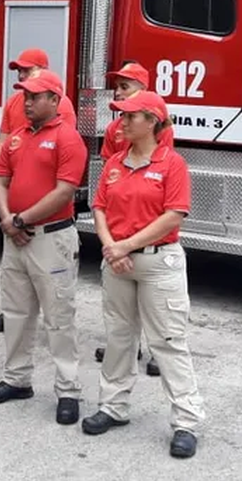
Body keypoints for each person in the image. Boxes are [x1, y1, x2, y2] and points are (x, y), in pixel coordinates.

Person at [82, 90, 204, 459]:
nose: (122, 122)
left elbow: (174, 215)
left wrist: (125, 245)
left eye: (130, 116)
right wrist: (111, 247)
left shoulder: (172, 164)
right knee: (119, 337)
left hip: (157, 263)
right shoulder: (115, 163)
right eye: (121, 116)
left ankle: (186, 422)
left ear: (152, 121)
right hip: (117, 261)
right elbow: (99, 207)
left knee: (168, 341)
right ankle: (113, 407)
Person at [0, 70, 87, 426]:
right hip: (17, 238)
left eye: (35, 96)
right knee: (16, 312)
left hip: (51, 239)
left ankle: (68, 390)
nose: (26, 102)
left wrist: (19, 221)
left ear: (55, 101)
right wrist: (9, 220)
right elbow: (0, 181)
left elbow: (64, 192)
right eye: (25, 96)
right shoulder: (16, 139)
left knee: (59, 317)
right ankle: (16, 379)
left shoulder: (69, 139)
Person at [0, 47, 76, 333]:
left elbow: (61, 165)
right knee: (16, 292)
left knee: (54, 301)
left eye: (27, 70)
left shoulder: (63, 106)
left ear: (43, 69)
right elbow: (4, 141)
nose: (21, 75)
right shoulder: (14, 102)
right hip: (14, 207)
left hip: (45, 224)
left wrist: (22, 219)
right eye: (19, 71)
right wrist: (10, 215)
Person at [95, 61, 176, 376]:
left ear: (144, 91)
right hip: (119, 223)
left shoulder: (161, 129)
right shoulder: (115, 129)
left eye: (125, 86)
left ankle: (158, 350)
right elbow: (109, 170)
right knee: (121, 302)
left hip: (148, 224)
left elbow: (161, 171)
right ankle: (128, 346)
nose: (118, 91)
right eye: (117, 86)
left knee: (153, 299)